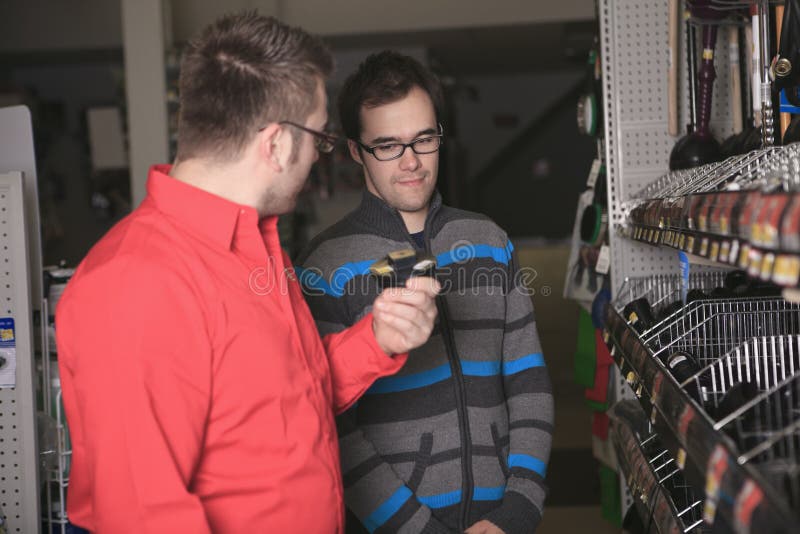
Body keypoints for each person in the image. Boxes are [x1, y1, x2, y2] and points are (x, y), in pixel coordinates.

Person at [55, 14, 439, 534]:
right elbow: (141, 516)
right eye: (318, 139)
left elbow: (288, 399)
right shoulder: (135, 281)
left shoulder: (255, 246)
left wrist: (376, 339)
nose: (317, 157)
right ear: (277, 144)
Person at [297, 51, 554, 534]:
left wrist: (518, 506)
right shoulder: (324, 266)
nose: (411, 161)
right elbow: (333, 427)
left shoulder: (490, 241)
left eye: (424, 139)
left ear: (440, 134)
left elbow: (528, 382)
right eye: (388, 145)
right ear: (356, 151)